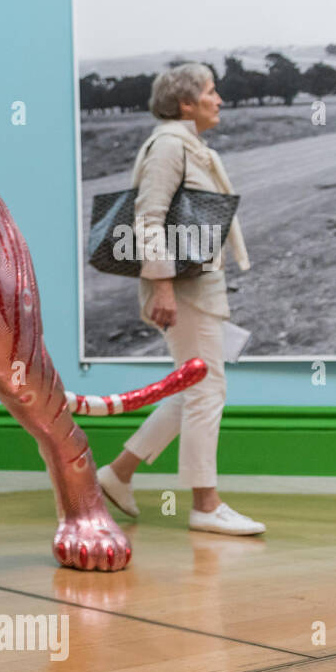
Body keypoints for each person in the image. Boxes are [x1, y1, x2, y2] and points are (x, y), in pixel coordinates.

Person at [97, 62, 264, 536]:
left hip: (197, 285)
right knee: (207, 389)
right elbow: (148, 219)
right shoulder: (171, 146)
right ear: (186, 103)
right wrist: (163, 287)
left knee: (192, 389)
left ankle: (116, 475)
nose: (220, 99)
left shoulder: (187, 144)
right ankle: (205, 505)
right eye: (212, 92)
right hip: (183, 289)